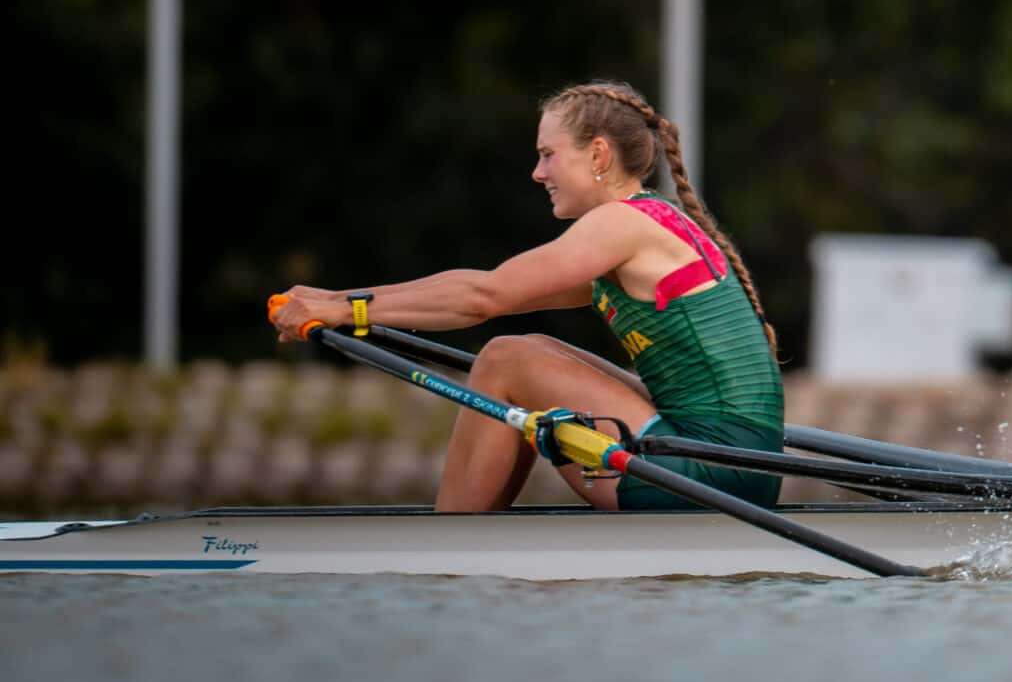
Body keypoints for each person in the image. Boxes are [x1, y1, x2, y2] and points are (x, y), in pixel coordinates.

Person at [269, 80, 784, 512]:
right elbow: (481, 292)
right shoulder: (651, 221)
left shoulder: (620, 225)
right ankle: (460, 531)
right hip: (734, 465)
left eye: (547, 155)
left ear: (599, 154)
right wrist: (339, 299)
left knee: (505, 359)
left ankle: (444, 551)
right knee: (533, 349)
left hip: (711, 472)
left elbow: (481, 298)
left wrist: (342, 311)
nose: (538, 173)